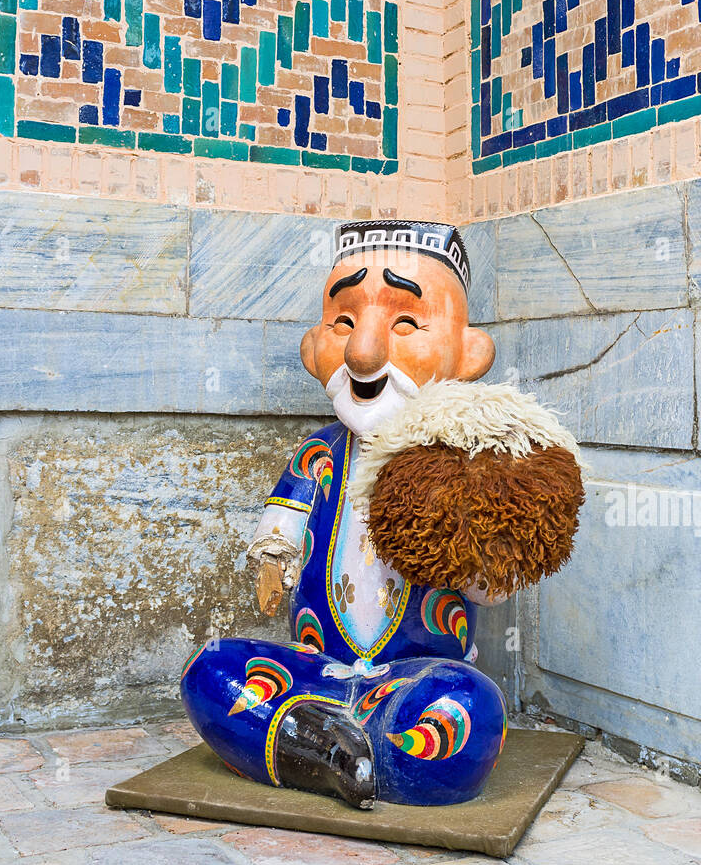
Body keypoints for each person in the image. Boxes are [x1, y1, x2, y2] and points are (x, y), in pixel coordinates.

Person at [181, 221, 509, 808]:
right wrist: (273, 560)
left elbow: (488, 588)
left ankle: (320, 748)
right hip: (316, 675)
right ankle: (338, 752)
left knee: (468, 706)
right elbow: (284, 518)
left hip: (412, 681)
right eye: (345, 322)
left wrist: (470, 559)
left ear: (469, 352)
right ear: (315, 345)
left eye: (405, 323)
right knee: (209, 670)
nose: (363, 352)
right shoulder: (320, 454)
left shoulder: (464, 464)